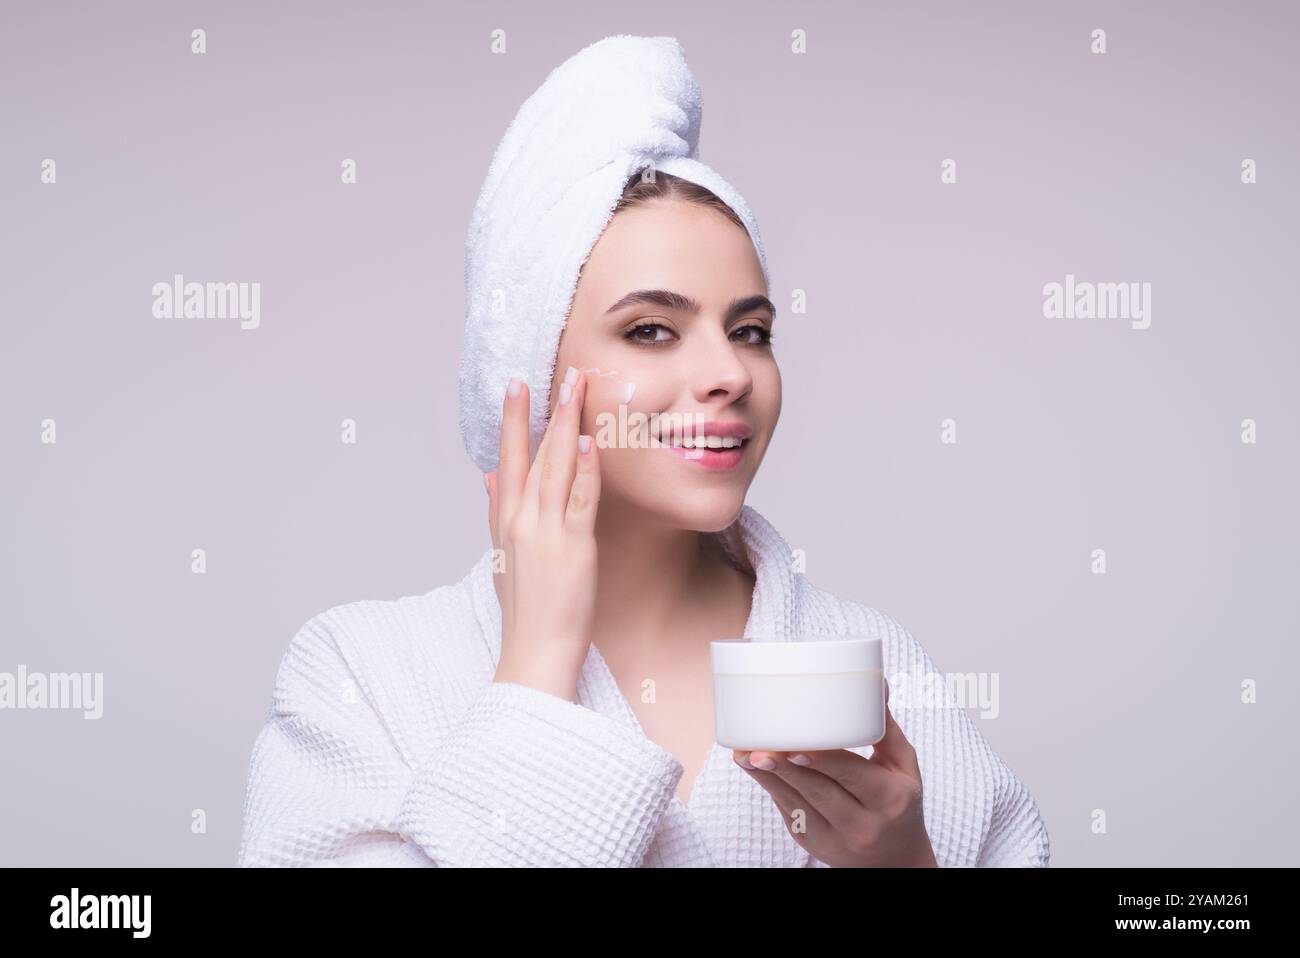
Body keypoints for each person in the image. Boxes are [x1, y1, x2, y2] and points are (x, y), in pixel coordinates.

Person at [237, 35, 1050, 868]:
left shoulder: (871, 657)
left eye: (751, 331)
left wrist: (906, 867)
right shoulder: (363, 672)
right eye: (651, 330)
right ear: (532, 373)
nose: (729, 372)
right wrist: (533, 671)